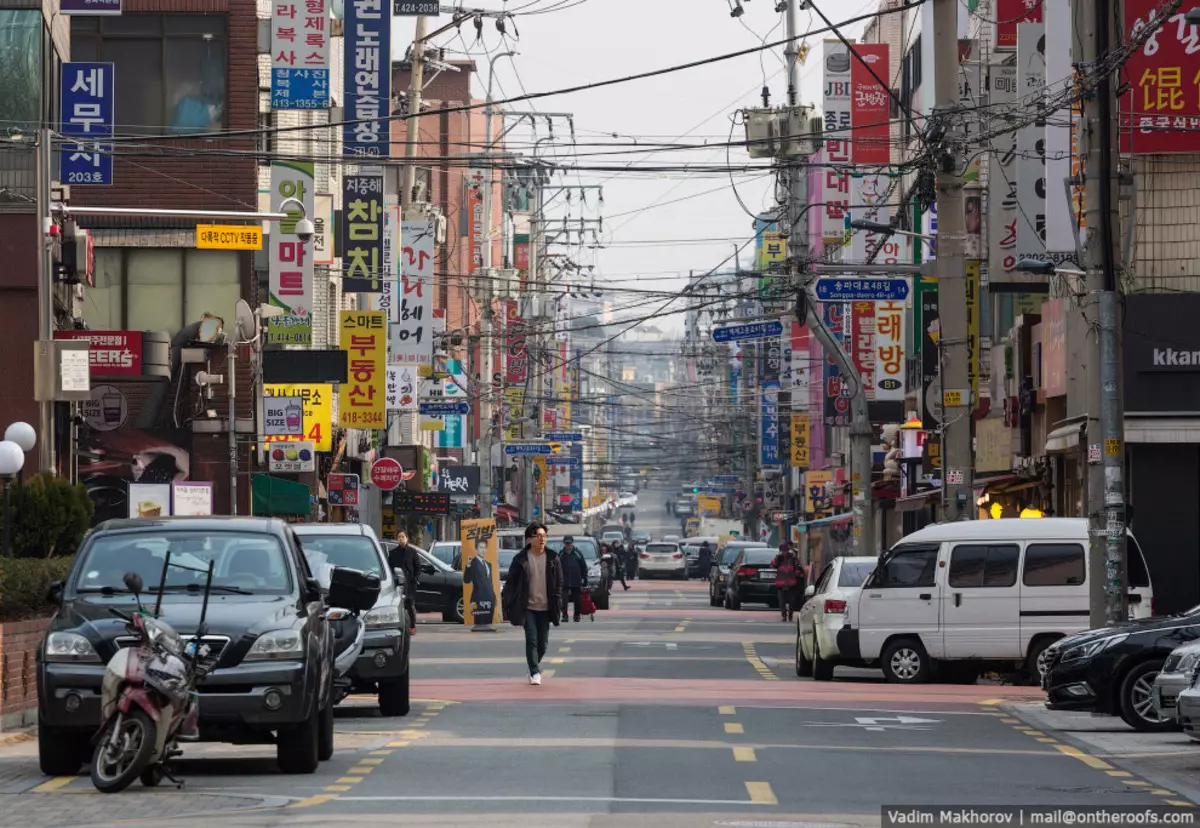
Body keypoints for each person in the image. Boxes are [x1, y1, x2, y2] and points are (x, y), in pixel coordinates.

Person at [501, 522, 564, 685]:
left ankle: (533, 665)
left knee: (543, 644)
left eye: (544, 536)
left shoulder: (553, 558)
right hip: (527, 606)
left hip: (546, 607)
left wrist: (558, 602)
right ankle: (535, 672)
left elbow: (559, 583)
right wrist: (506, 602)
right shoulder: (520, 559)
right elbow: (511, 583)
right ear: (530, 539)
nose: (542, 539)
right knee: (532, 639)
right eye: (538, 536)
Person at [387, 531, 420, 635]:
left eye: (403, 537)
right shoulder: (393, 553)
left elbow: (418, 567)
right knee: (398, 605)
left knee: (410, 604)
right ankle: (398, 627)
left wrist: (415, 578)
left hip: (410, 583)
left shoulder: (412, 551)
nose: (401, 539)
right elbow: (389, 568)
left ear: (407, 538)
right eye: (399, 537)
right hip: (398, 584)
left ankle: (412, 626)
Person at [463, 543, 496, 627]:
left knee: (488, 622)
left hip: (489, 597)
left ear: (486, 549)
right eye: (480, 547)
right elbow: (467, 580)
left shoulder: (488, 564)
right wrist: (468, 565)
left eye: (484, 548)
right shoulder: (473, 562)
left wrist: (493, 596)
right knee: (479, 623)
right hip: (479, 597)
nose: (482, 550)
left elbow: (490, 582)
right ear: (476, 549)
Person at [559, 535, 589, 623]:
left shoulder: (577, 553)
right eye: (566, 543)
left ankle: (577, 615)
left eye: (569, 543)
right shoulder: (561, 554)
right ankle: (564, 615)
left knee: (577, 599)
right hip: (564, 580)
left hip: (576, 579)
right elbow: (556, 567)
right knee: (564, 599)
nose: (568, 545)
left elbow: (583, 566)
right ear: (564, 543)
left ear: (572, 543)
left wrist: (584, 578)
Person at [771, 543, 803, 622]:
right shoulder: (779, 558)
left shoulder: (793, 558)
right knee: (782, 601)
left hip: (791, 582)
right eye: (782, 551)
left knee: (792, 601)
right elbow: (773, 564)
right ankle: (784, 616)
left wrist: (797, 575)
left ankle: (790, 615)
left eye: (785, 551)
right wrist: (776, 558)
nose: (783, 552)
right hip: (781, 583)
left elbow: (797, 568)